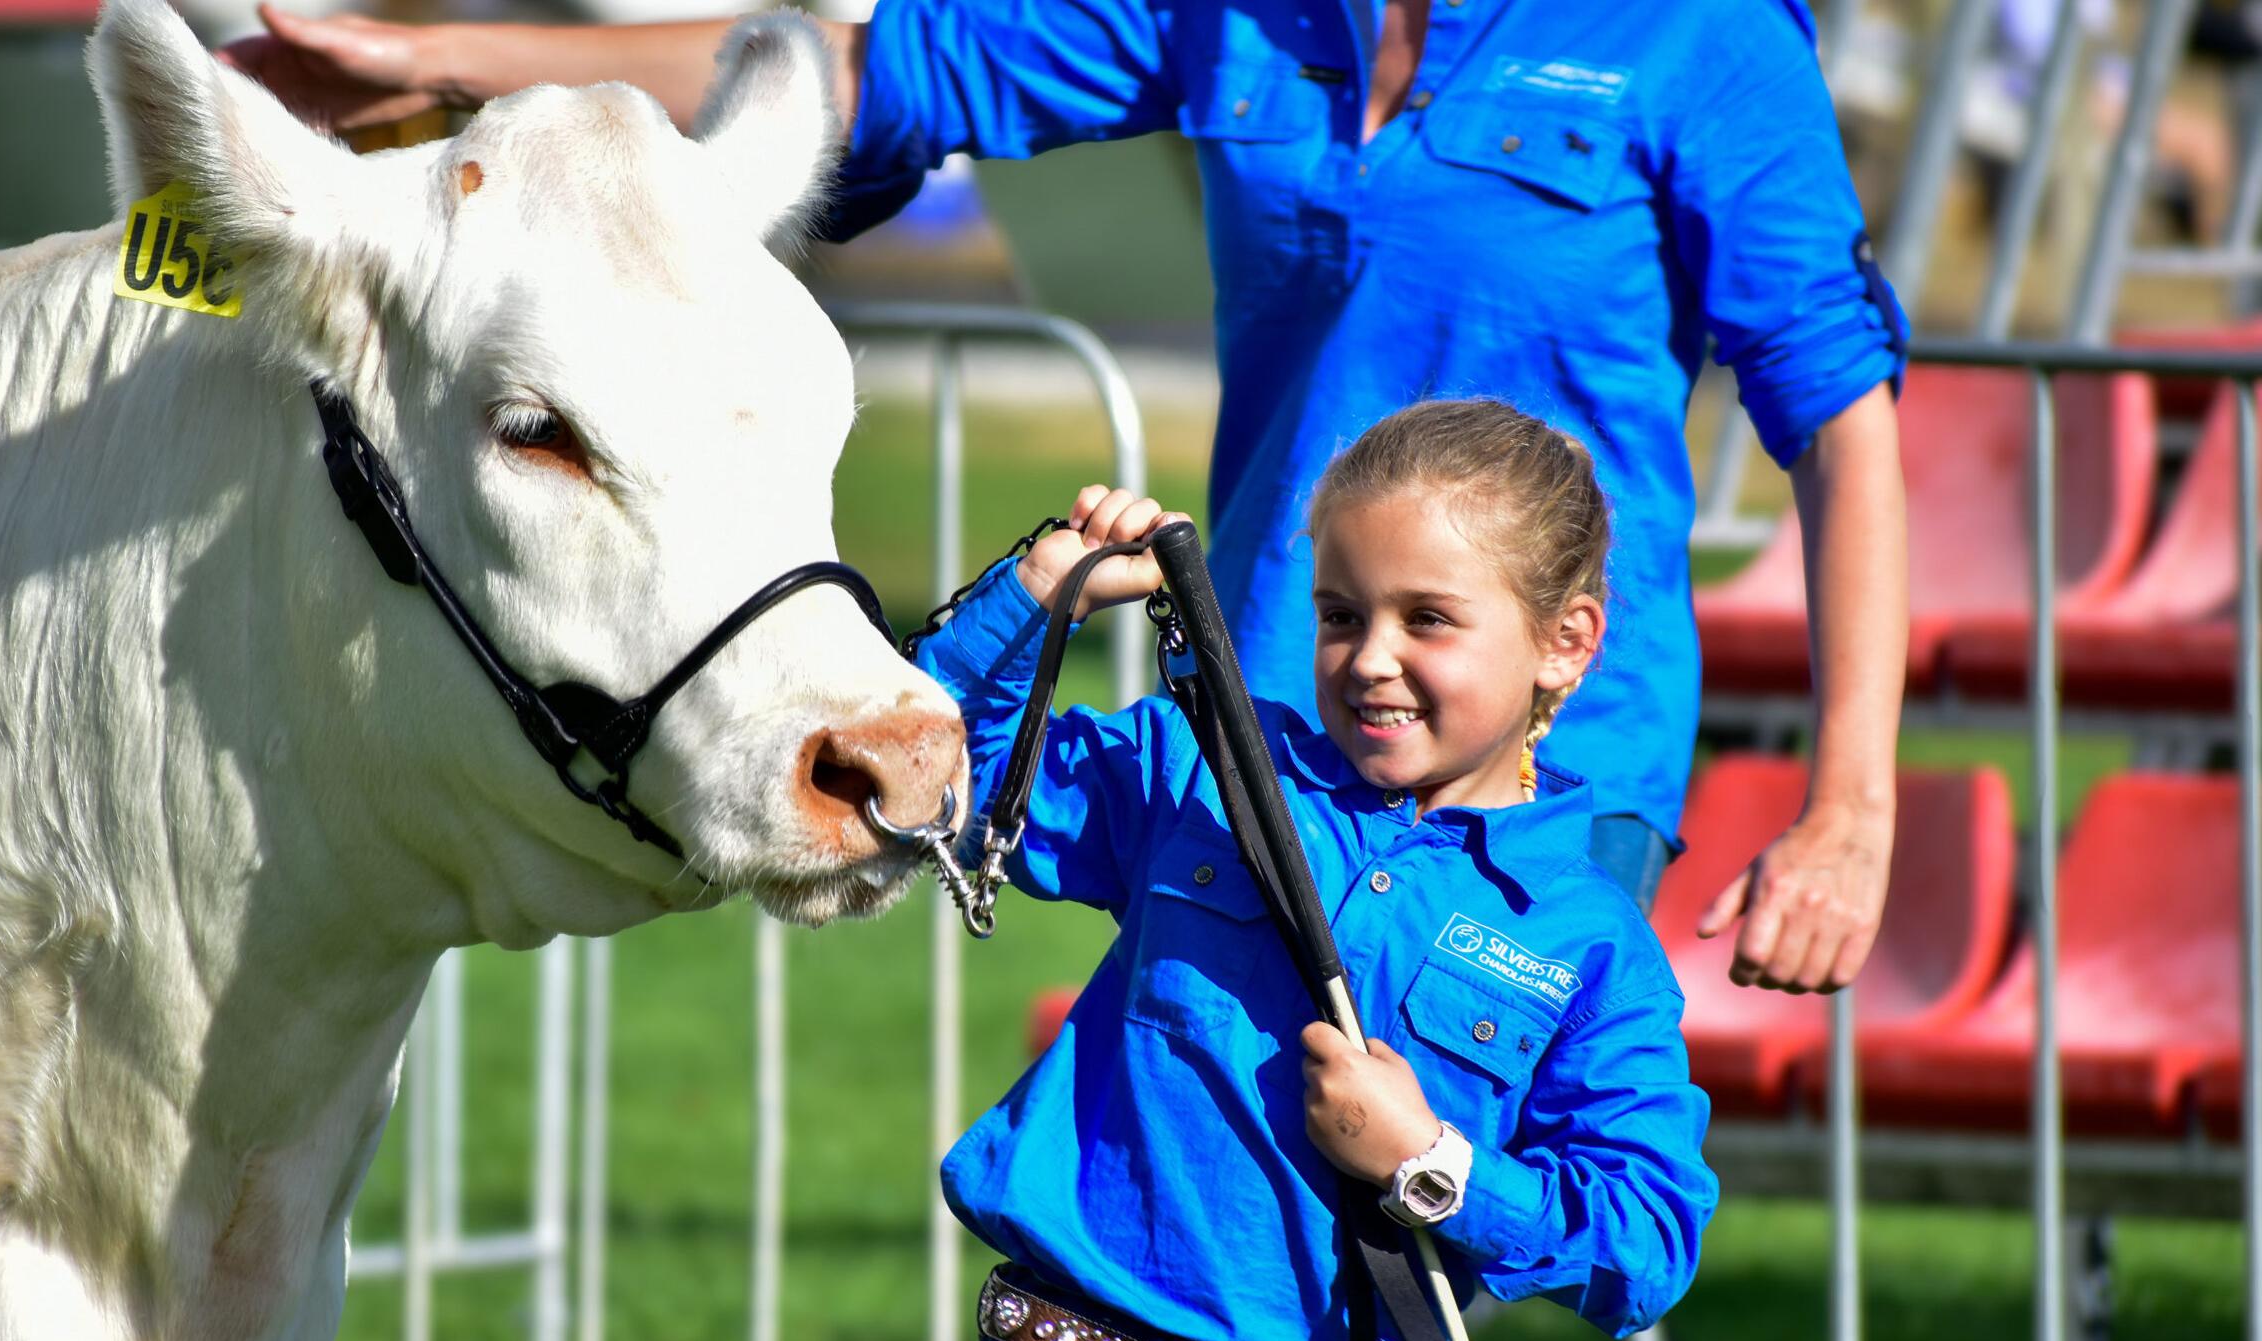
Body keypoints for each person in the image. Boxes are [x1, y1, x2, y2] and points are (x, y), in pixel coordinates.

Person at [223, 0, 1909, 997]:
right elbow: (867, 68)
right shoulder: (1244, 13)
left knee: (1369, 1238)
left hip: (1535, 765)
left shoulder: (1699, 36)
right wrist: (437, 56)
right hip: (1265, 731)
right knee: (1206, 1247)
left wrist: (1852, 810)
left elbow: (1841, 419)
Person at [906, 402, 1713, 1341]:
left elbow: (1645, 1243)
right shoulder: (1198, 766)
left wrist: (1429, 1164)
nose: (1370, 657)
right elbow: (936, 774)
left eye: (1426, 618)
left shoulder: (1590, 940)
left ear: (1565, 643)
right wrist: (1034, 598)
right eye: (1340, 615)